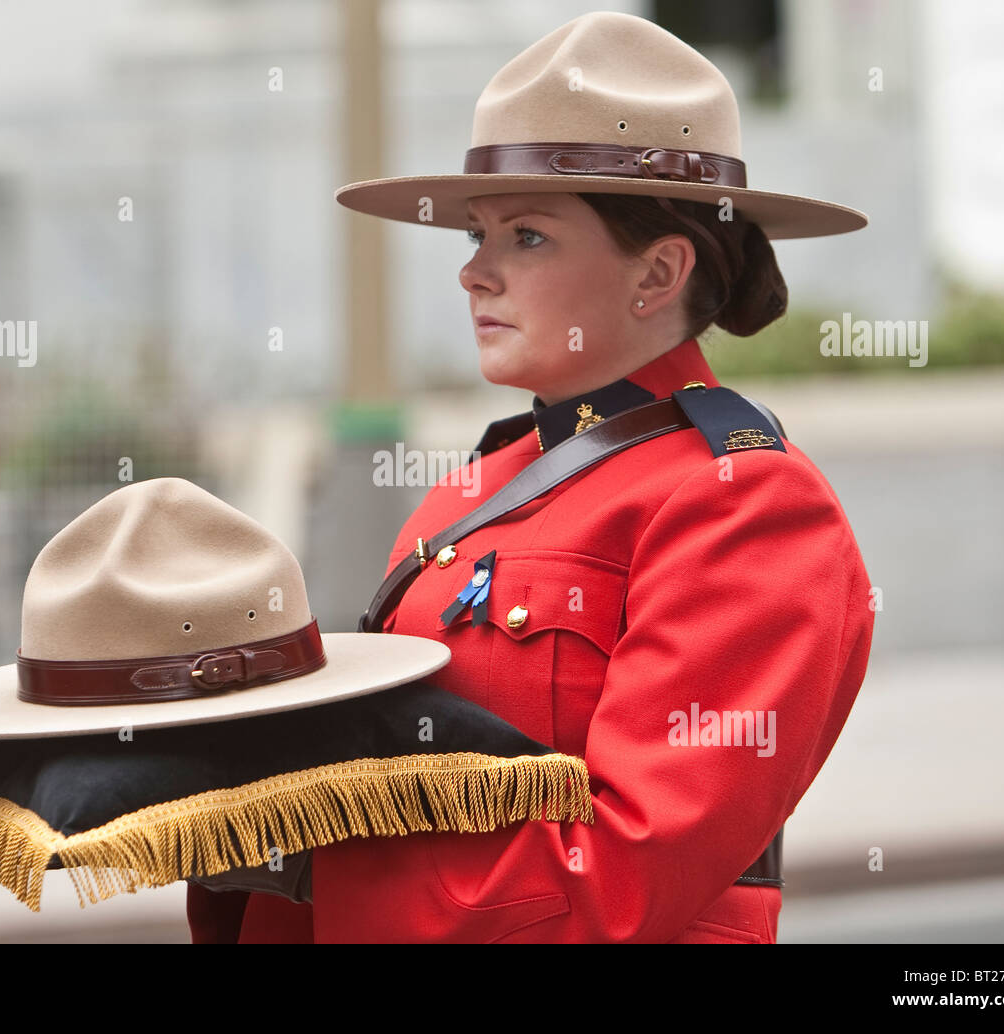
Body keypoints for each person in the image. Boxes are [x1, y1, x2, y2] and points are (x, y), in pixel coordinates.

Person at [187, 10, 875, 943]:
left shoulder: (744, 504)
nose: (475, 272)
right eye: (477, 234)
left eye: (529, 237)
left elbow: (628, 864)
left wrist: (310, 864)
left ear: (658, 272)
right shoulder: (485, 482)